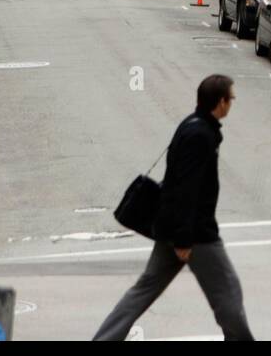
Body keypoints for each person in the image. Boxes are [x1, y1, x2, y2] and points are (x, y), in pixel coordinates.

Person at [93, 75, 253, 340]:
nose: (231, 104)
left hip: (174, 229)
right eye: (230, 99)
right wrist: (183, 239)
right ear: (220, 102)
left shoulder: (192, 125)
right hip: (194, 235)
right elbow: (185, 189)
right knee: (229, 293)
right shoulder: (200, 134)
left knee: (144, 289)